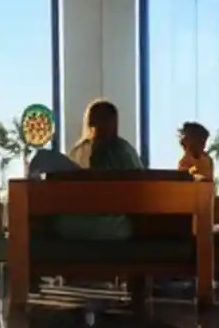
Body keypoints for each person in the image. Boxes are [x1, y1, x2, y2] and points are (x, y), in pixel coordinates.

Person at [27, 99, 144, 240]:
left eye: (104, 119)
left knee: (57, 224)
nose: (100, 125)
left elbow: (137, 191)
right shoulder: (82, 150)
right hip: (93, 216)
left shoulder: (121, 150)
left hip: (114, 221)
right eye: (97, 120)